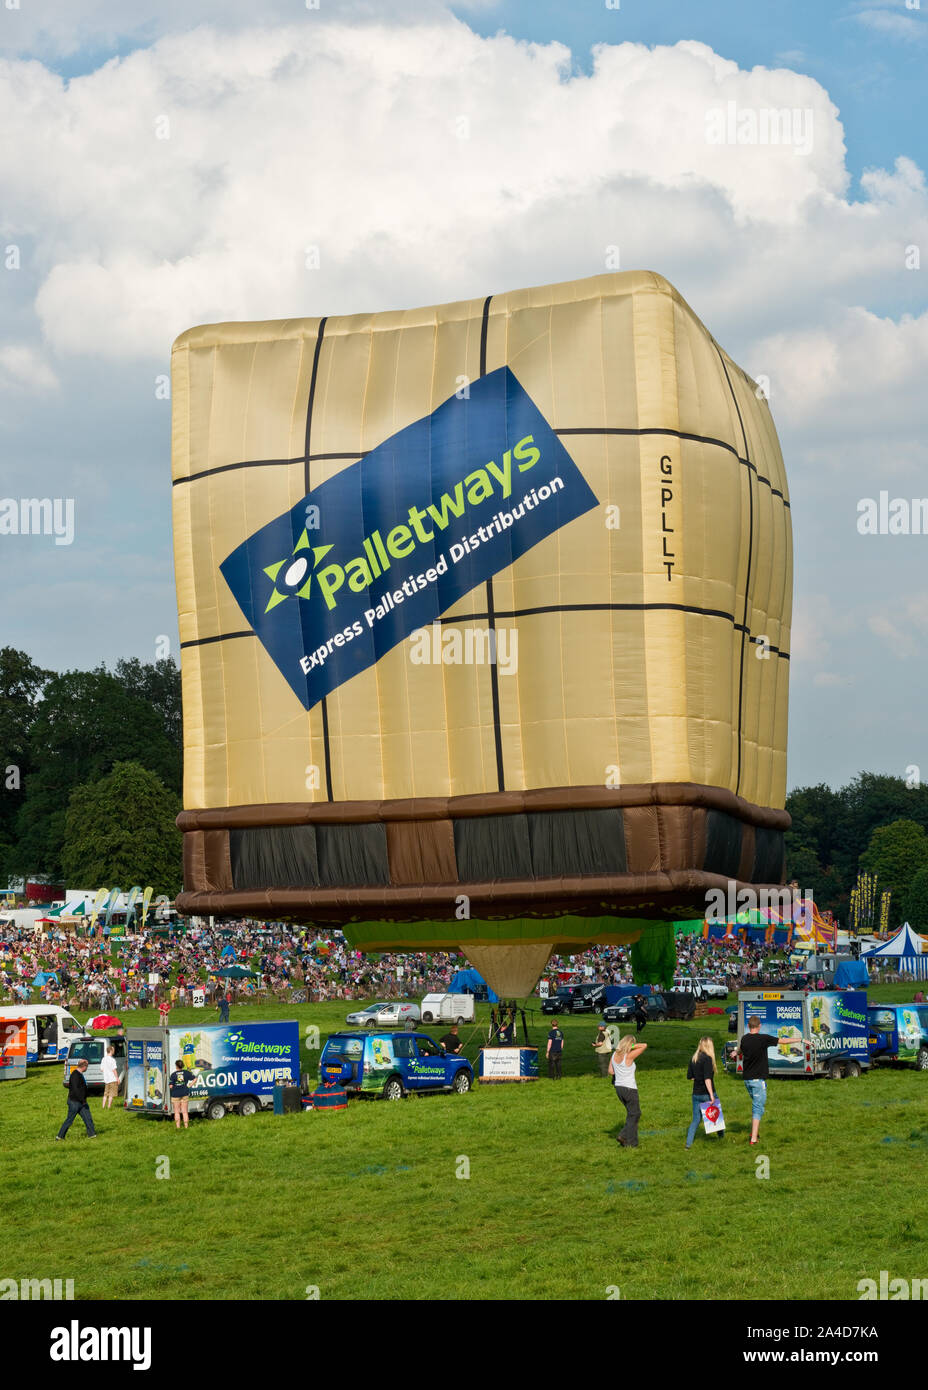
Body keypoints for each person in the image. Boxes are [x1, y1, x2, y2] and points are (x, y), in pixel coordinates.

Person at [738, 1015, 779, 1145]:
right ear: (759, 1026)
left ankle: (754, 1133)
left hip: (747, 1081)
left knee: (758, 1106)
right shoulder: (763, 1039)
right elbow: (783, 1041)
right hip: (757, 1081)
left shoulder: (744, 1039)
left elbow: (741, 1050)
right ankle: (753, 1139)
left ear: (749, 1026)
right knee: (758, 1107)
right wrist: (801, 1040)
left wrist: (735, 1052)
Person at [608, 1033, 647, 1147]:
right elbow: (644, 1045)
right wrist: (631, 1047)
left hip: (619, 1088)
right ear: (630, 1044)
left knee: (632, 1114)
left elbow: (611, 1071)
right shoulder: (628, 1056)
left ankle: (629, 1141)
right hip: (629, 1088)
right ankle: (626, 1137)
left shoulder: (614, 1054)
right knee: (635, 1114)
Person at [685, 1037, 721, 1148]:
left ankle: (688, 1144)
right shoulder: (708, 1059)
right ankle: (721, 1138)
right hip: (706, 1093)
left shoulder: (694, 1058)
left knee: (695, 1120)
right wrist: (711, 1095)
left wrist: (697, 1077)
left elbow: (689, 1076)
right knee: (716, 1116)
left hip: (696, 1094)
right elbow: (707, 1079)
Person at [56, 1058, 97, 1139]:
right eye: (87, 1067)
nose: (87, 1068)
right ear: (84, 1067)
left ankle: (92, 1135)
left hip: (82, 1102)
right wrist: (82, 1099)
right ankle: (60, 1136)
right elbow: (75, 1089)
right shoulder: (75, 1075)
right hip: (74, 1102)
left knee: (88, 1118)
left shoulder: (79, 1074)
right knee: (69, 1120)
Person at [169, 1058, 196, 1130]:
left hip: (175, 1095)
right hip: (185, 1094)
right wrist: (190, 1085)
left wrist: (173, 1087)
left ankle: (178, 1127)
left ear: (176, 1066)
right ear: (182, 1066)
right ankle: (186, 1127)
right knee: (184, 1112)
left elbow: (171, 1086)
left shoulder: (173, 1075)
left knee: (177, 1112)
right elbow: (195, 1078)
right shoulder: (187, 1073)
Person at [101, 1044, 120, 1109]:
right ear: (111, 1051)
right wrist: (117, 1078)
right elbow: (114, 1070)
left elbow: (101, 1069)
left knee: (105, 1094)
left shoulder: (103, 1059)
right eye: (113, 1050)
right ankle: (109, 1107)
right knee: (111, 1094)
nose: (114, 1051)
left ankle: (103, 1107)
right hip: (112, 1079)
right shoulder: (112, 1060)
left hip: (106, 1079)